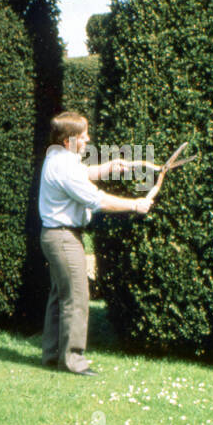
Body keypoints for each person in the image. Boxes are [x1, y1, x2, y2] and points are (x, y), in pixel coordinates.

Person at [38, 112, 159, 375]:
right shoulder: (65, 166)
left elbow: (82, 172)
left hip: (55, 235)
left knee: (60, 296)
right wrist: (136, 204)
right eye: (83, 136)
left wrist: (109, 168)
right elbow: (98, 200)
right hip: (64, 237)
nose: (88, 139)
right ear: (69, 141)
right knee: (77, 297)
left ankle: (52, 354)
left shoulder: (57, 156)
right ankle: (73, 361)